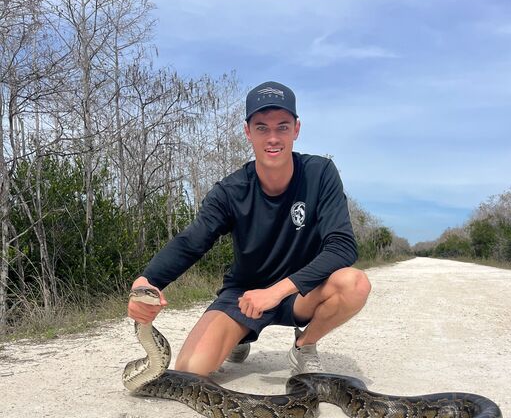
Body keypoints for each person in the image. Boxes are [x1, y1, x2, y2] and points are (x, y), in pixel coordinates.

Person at [128, 81, 371, 376]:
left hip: (300, 294)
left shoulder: (320, 174)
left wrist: (277, 292)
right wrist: (145, 281)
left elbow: (342, 246)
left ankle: (304, 345)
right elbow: (192, 241)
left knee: (354, 284)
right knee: (190, 371)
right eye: (261, 128)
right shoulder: (231, 191)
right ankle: (239, 336)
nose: (273, 138)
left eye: (282, 127)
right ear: (248, 132)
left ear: (296, 129)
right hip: (245, 297)